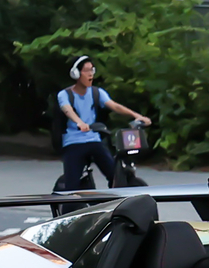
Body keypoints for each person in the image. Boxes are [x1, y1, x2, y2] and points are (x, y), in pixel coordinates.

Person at [54, 56, 152, 194]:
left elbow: (115, 106)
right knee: (72, 185)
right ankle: (70, 208)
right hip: (73, 141)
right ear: (76, 73)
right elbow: (67, 109)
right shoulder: (65, 94)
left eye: (92, 70)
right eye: (87, 70)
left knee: (115, 175)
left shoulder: (96, 92)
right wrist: (79, 122)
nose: (90, 74)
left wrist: (137, 116)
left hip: (94, 140)